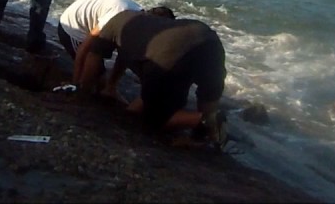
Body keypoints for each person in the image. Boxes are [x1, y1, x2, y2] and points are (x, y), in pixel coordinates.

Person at [84, 10, 230, 150]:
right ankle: (205, 130)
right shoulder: (144, 26)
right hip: (208, 38)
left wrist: (83, 90)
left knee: (150, 119)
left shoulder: (116, 24)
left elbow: (93, 56)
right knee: (207, 91)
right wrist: (111, 86)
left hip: (171, 53)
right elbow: (123, 59)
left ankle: (205, 121)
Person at [57, 0, 174, 90]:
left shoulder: (137, 17)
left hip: (96, 15)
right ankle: (80, 85)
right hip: (73, 28)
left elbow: (125, 53)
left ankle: (110, 88)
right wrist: (76, 83)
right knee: (95, 80)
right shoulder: (117, 16)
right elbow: (86, 48)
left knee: (125, 51)